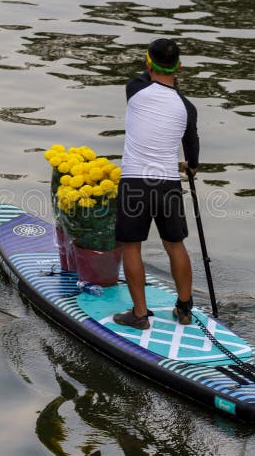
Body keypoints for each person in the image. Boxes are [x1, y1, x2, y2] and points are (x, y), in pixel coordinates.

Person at [112, 38, 200, 330]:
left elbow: (145, 75)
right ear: (180, 67)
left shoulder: (135, 89)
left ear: (148, 63)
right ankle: (184, 308)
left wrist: (151, 63)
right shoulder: (187, 108)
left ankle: (139, 315)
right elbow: (192, 149)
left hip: (136, 180)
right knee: (175, 245)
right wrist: (191, 165)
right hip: (168, 184)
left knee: (131, 247)